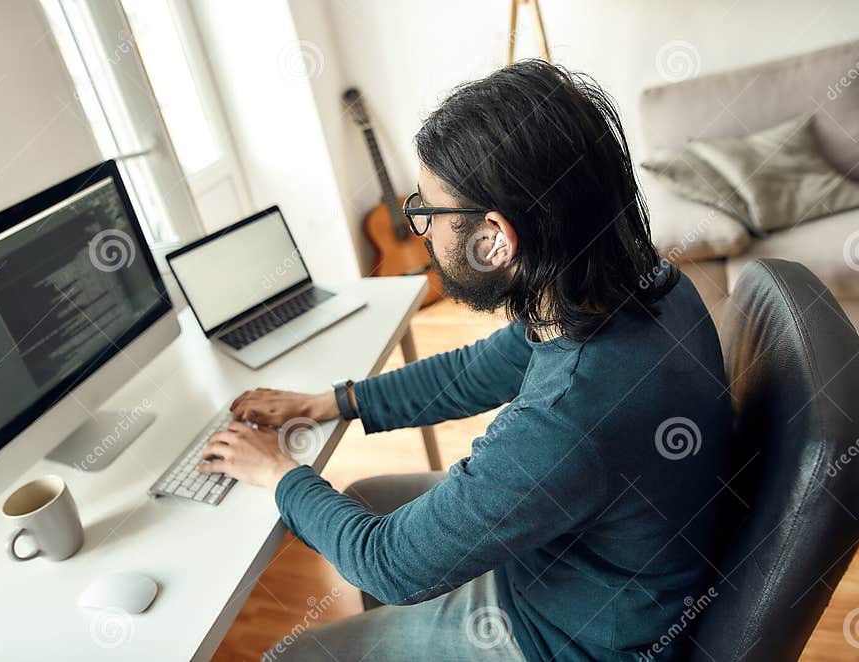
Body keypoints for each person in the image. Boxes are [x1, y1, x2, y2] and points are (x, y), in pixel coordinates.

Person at [198, 60, 732, 661]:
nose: (421, 230)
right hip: (586, 564)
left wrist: (276, 472)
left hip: (562, 636)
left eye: (428, 212)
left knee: (288, 657)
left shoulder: (570, 414)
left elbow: (389, 565)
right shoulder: (638, 280)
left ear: (495, 238)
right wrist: (337, 401)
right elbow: (489, 363)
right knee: (368, 495)